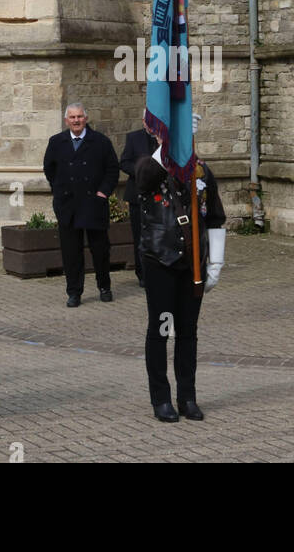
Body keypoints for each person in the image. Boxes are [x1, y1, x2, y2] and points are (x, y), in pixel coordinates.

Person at [135, 129, 226, 422]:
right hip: (159, 260)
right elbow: (145, 178)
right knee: (161, 330)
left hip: (192, 264)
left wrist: (216, 263)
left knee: (188, 332)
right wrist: (168, 144)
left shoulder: (201, 171)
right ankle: (161, 399)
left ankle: (187, 397)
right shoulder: (150, 167)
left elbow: (215, 217)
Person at [43, 103, 120, 306]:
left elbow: (112, 169)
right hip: (68, 206)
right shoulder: (56, 142)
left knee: (100, 250)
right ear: (66, 120)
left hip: (94, 204)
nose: (76, 120)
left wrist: (103, 192)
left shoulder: (101, 142)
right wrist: (60, 190)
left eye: (79, 117)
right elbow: (49, 169)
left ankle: (105, 286)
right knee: (71, 252)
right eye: (72, 117)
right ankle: (74, 292)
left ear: (86, 118)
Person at [119, 118, 158, 288]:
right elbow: (124, 162)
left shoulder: (165, 138)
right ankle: (142, 273)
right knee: (140, 236)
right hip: (138, 195)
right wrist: (142, 171)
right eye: (148, 120)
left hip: (160, 196)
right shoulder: (133, 138)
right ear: (143, 121)